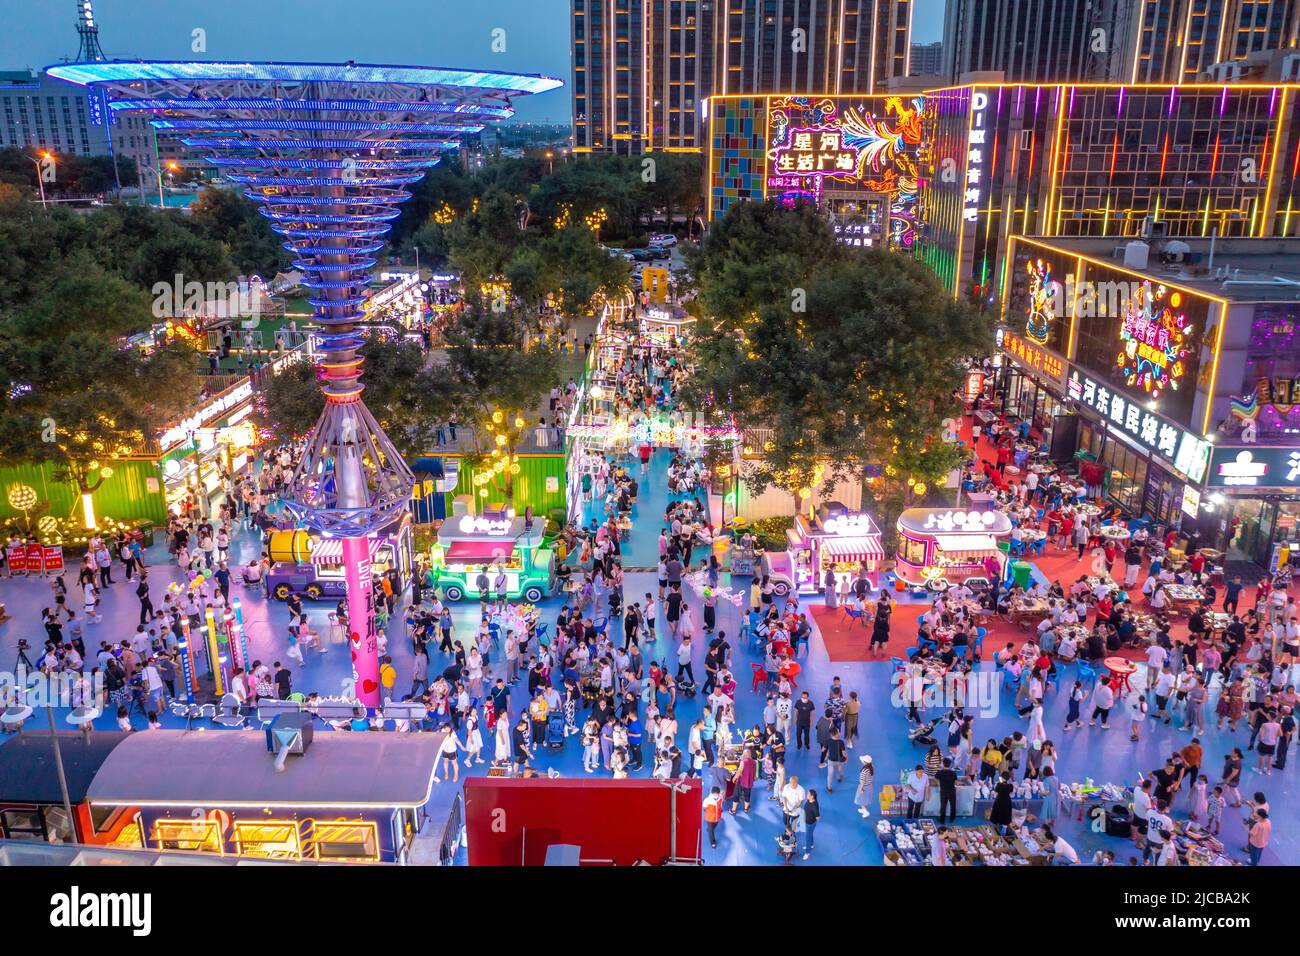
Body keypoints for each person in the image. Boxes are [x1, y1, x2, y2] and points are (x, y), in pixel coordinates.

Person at [854, 754, 875, 818]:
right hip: (869, 786)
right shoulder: (871, 767)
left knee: (860, 799)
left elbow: (862, 781)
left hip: (864, 787)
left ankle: (866, 812)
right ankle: (863, 809)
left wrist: (861, 789)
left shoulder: (863, 771)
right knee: (865, 799)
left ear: (865, 762)